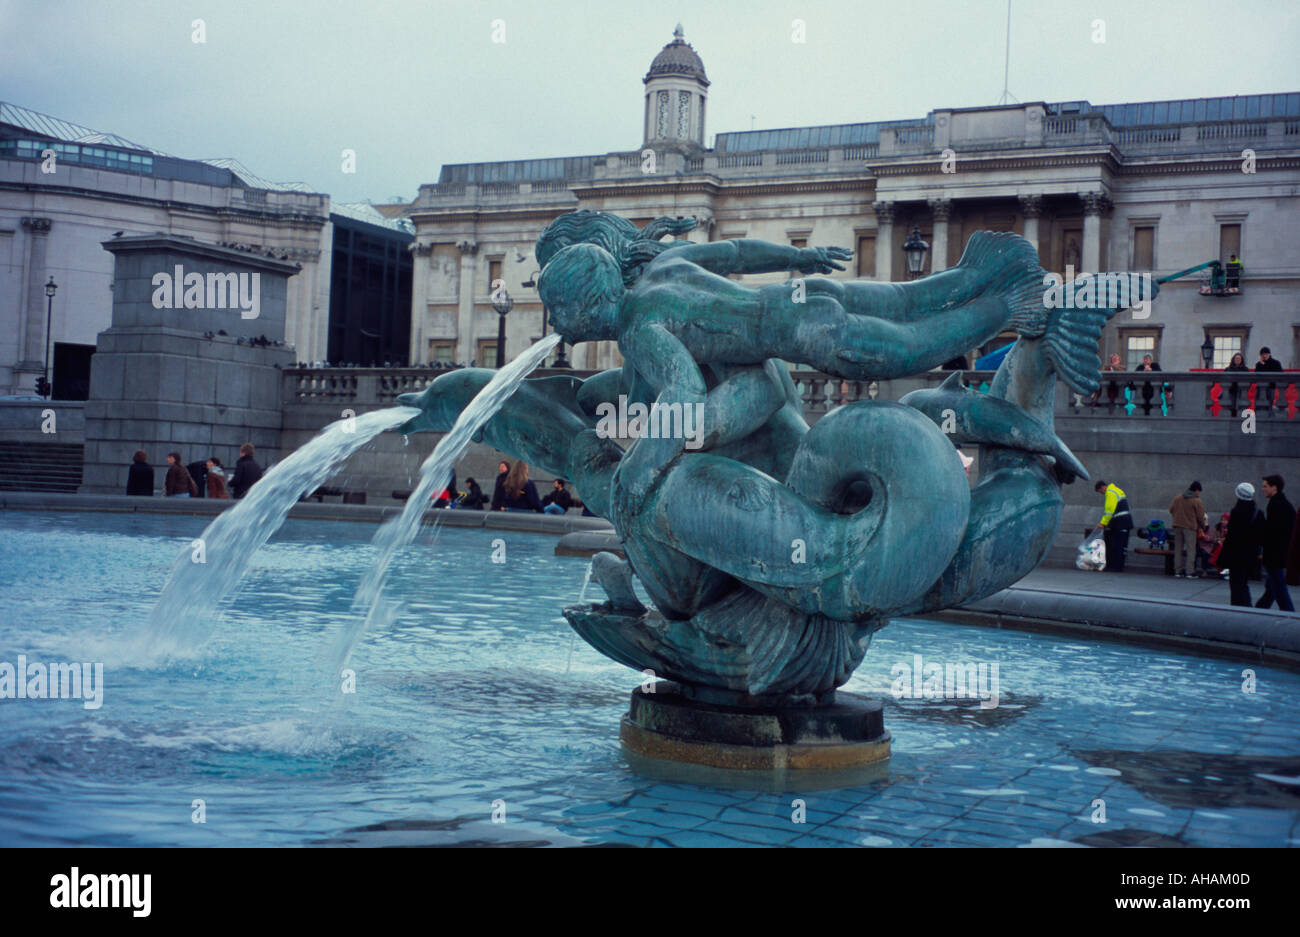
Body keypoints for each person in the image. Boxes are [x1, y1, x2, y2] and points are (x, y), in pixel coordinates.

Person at [1255, 474, 1295, 612]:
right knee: (1272, 588)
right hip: (1279, 553)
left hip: (1275, 554)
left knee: (1278, 588)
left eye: (1265, 486)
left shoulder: (1276, 505)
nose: (1262, 489)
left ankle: (1289, 614)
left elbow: (1273, 532)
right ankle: (1260, 609)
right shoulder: (1282, 503)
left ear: (1274, 487)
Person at [1220, 484, 1263, 606]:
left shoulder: (1236, 511)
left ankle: (1238, 608)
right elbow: (1261, 534)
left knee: (1236, 584)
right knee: (1243, 583)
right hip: (1250, 553)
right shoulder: (1257, 512)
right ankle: (1246, 607)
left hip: (1236, 554)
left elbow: (1232, 536)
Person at [1168, 481, 1207, 578]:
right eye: (1199, 491)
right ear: (1197, 490)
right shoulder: (1196, 500)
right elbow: (1200, 516)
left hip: (1177, 526)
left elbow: (1171, 509)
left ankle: (1178, 571)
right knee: (1191, 550)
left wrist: (1177, 517)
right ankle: (1190, 572)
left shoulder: (1178, 497)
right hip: (1190, 528)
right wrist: (1203, 526)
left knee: (1178, 549)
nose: (1199, 493)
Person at [1094, 479, 1133, 572]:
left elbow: (1109, 511)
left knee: (1117, 545)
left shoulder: (1110, 492)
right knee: (1122, 545)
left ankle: (1115, 567)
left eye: (1100, 491)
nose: (1102, 493)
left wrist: (1102, 523)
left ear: (1102, 487)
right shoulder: (1117, 490)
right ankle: (1119, 566)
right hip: (1125, 522)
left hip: (1120, 523)